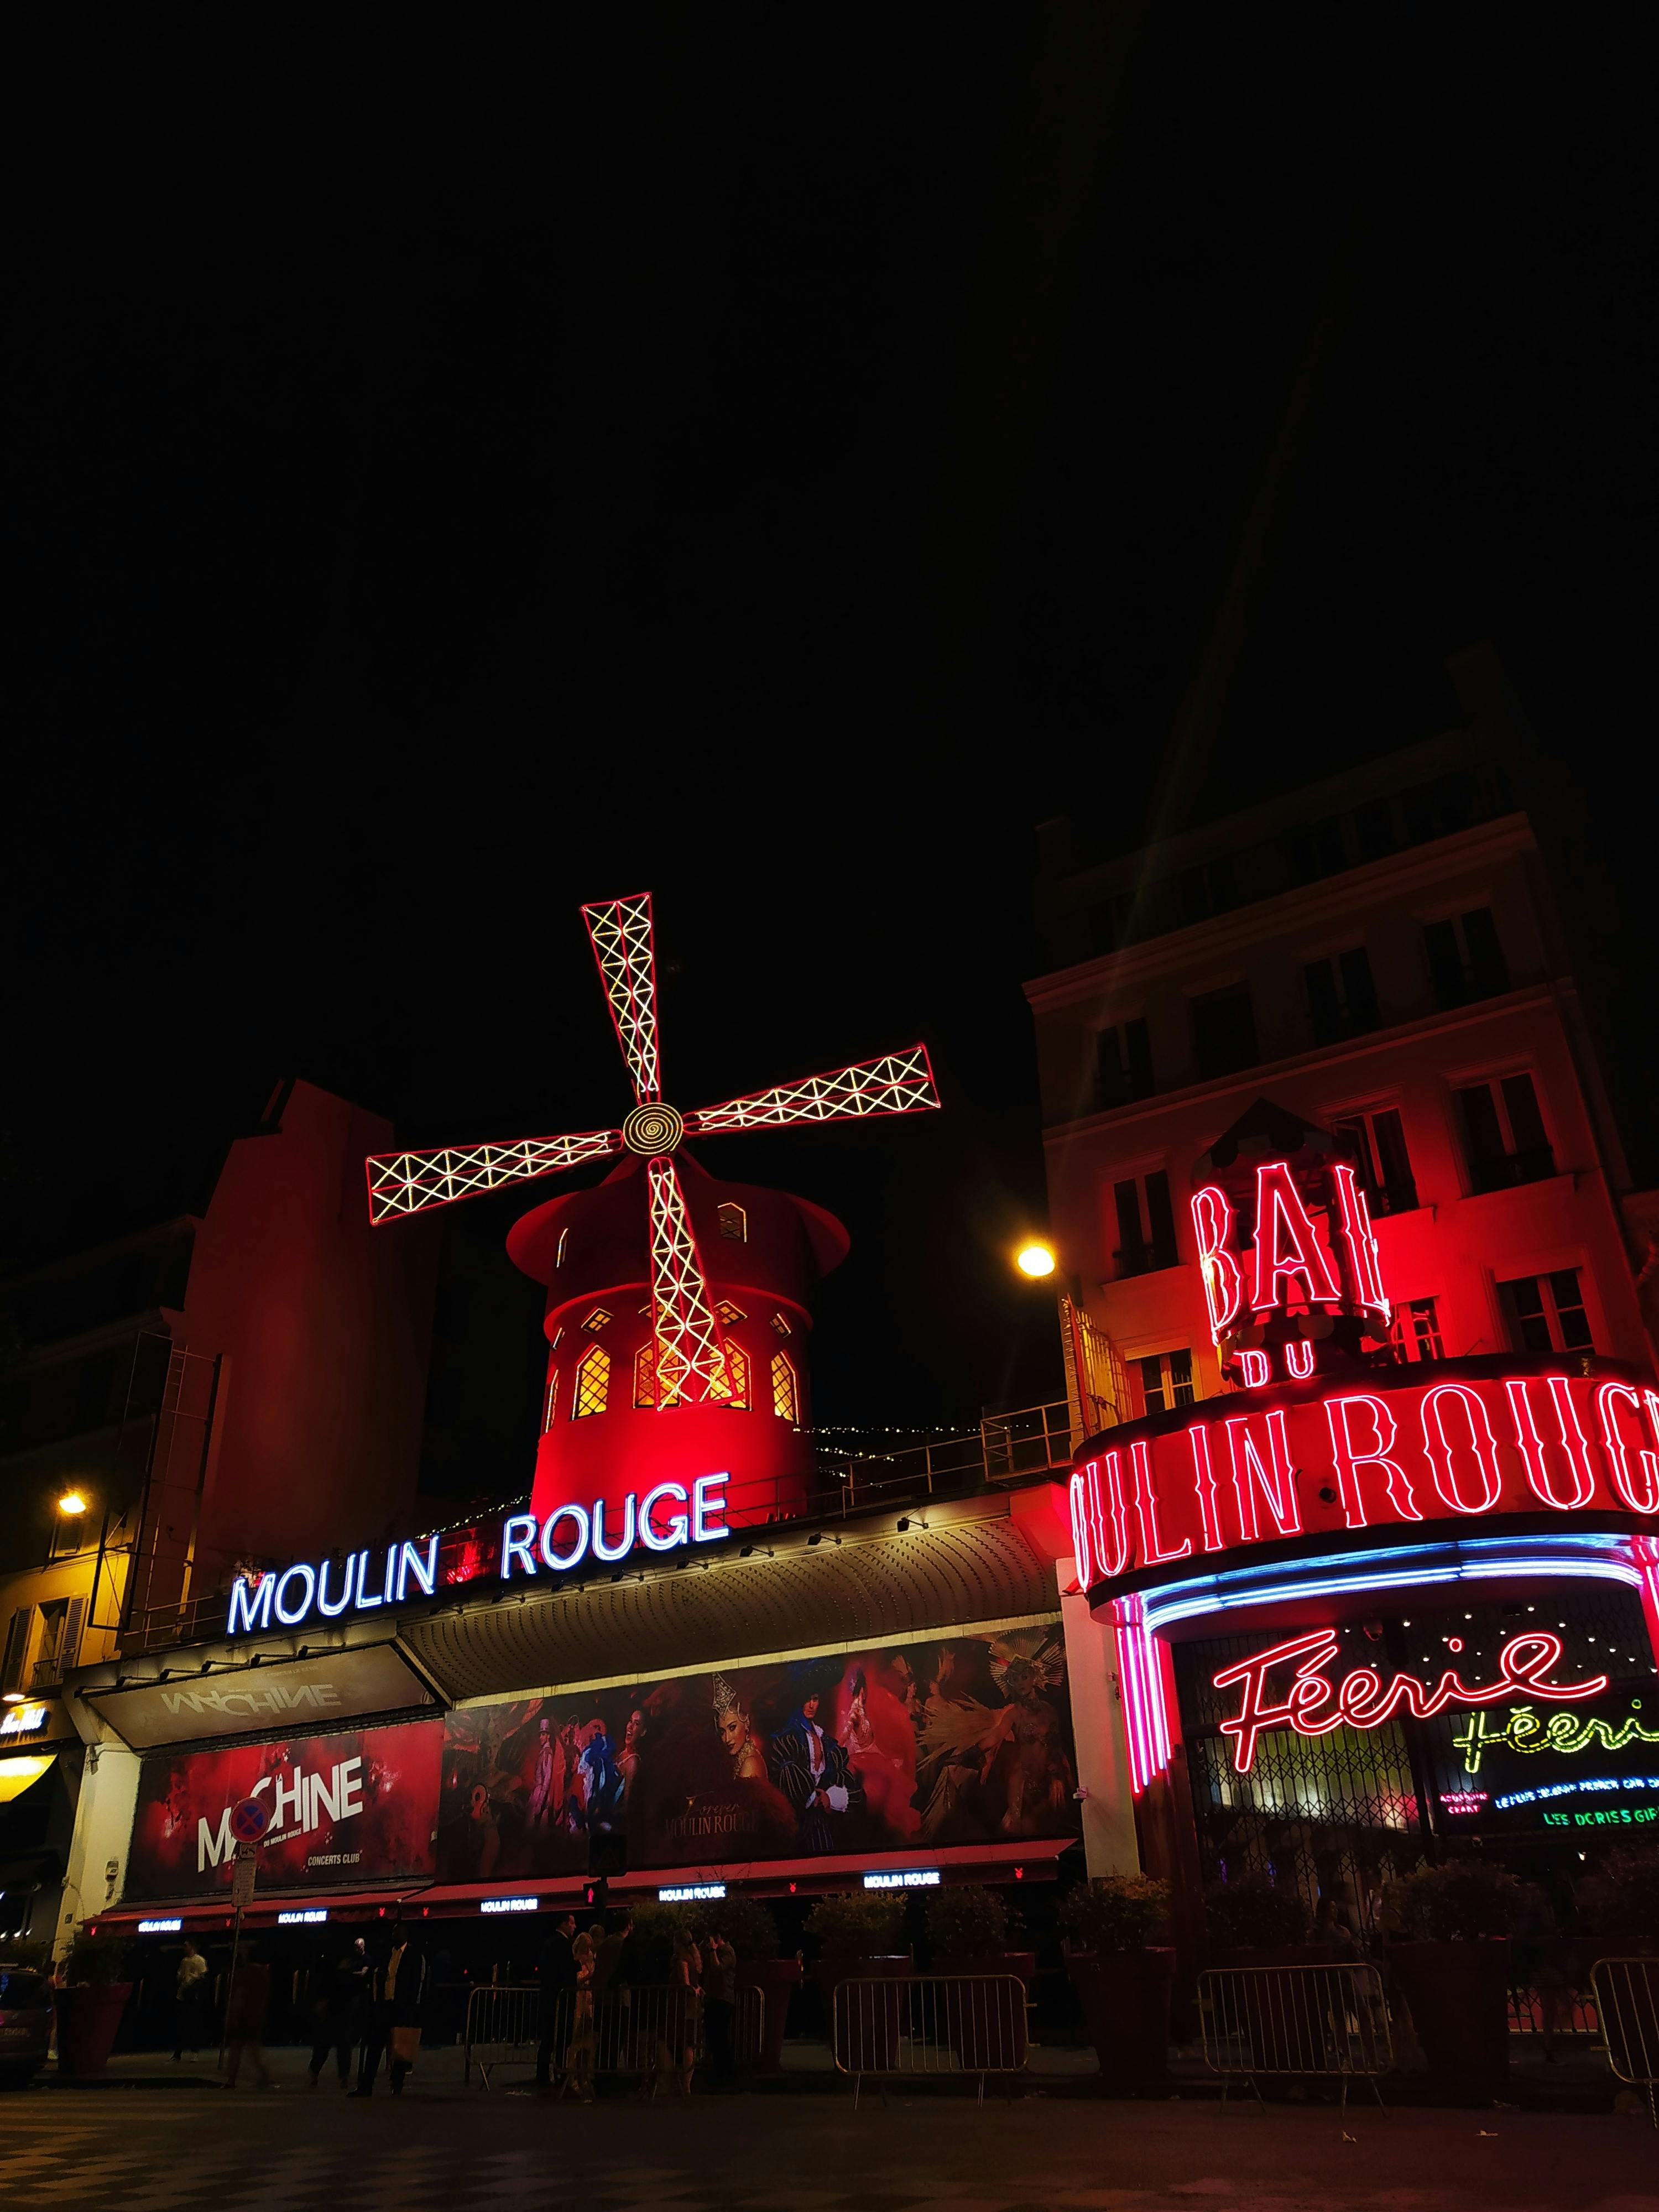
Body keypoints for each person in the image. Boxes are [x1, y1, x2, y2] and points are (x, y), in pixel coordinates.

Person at [352, 1923, 427, 2097]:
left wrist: (410, 2005)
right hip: (385, 2003)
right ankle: (367, 2084)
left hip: (401, 2005)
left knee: (399, 2046)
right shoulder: (387, 1953)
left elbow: (416, 1981)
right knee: (376, 2044)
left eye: (398, 1933)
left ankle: (397, 2083)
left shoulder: (414, 1955)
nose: (395, 1936)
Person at [309, 1939, 366, 2090]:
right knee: (342, 2046)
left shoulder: (331, 1974)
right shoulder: (345, 1975)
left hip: (333, 2012)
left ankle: (315, 2073)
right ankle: (343, 2077)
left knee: (325, 2045)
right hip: (342, 2012)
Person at [535, 1911, 579, 2096]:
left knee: (548, 2038)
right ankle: (559, 2072)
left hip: (549, 1997)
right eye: (572, 1923)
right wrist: (578, 1965)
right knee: (560, 2037)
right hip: (560, 1999)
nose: (574, 1926)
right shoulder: (562, 1944)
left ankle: (543, 2074)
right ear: (563, 1924)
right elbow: (565, 1970)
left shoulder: (550, 1943)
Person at [223, 1943, 274, 2090]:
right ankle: (263, 2075)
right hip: (256, 2015)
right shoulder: (265, 1975)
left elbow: (239, 1995)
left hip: (242, 2015)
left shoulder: (244, 1974)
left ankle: (232, 2080)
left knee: (236, 2047)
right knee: (253, 2047)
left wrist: (231, 2014)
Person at [701, 1933, 737, 2092]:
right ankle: (718, 2072)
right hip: (712, 1998)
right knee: (713, 2037)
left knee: (721, 2038)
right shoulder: (711, 1951)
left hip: (723, 1999)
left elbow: (718, 1969)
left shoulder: (728, 1952)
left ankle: (727, 2074)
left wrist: (713, 1952)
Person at [173, 1937, 208, 2062]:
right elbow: (180, 1975)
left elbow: (202, 1977)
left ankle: (194, 2052)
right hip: (182, 1995)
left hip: (192, 1996)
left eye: (186, 1945)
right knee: (180, 2025)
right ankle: (178, 2053)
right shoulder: (184, 1961)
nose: (184, 1948)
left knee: (193, 2024)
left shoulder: (199, 1961)